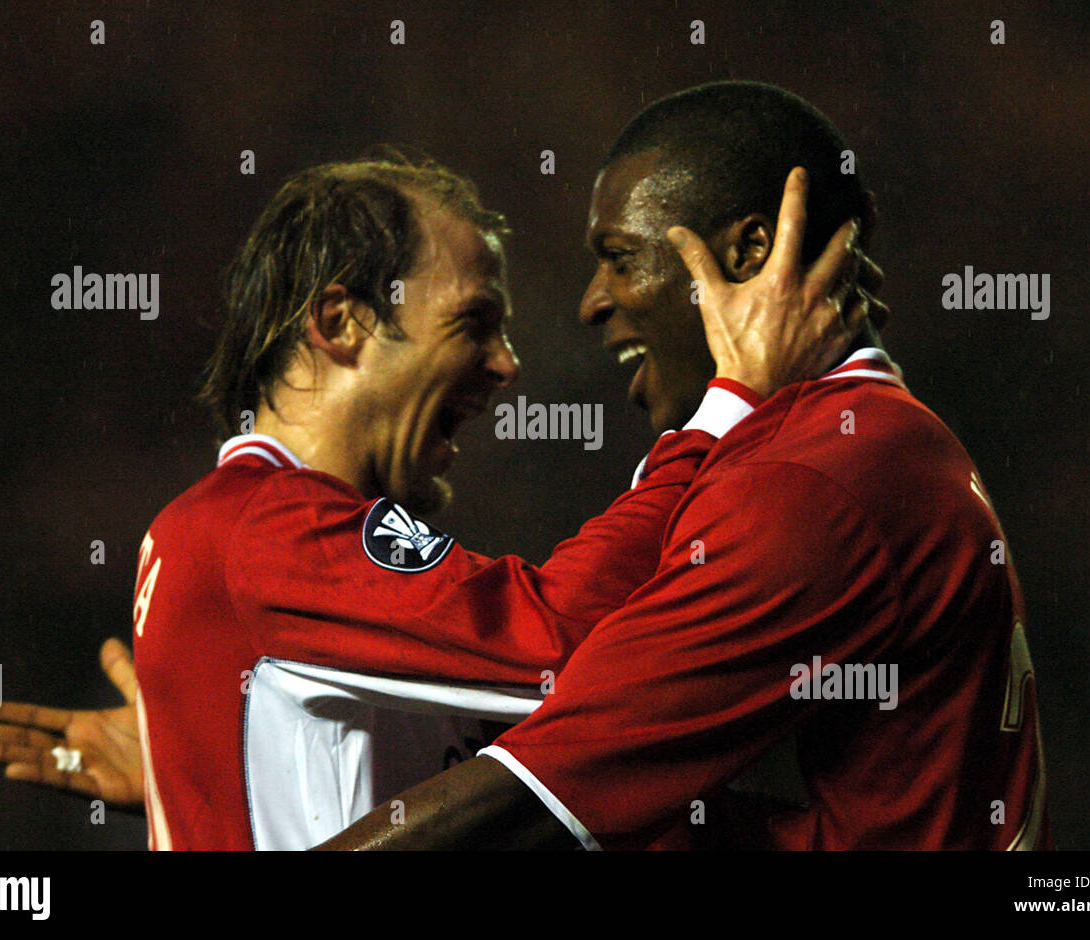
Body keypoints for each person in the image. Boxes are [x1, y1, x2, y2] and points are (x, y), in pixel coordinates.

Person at [0, 145, 868, 849]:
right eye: (473, 323)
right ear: (340, 323)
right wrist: (728, 409)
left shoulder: (255, 542)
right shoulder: (260, 527)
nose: (507, 367)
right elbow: (560, 642)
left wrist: (206, 760)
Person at [319, 81, 1051, 851]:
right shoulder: (874, 438)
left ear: (750, 255)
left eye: (622, 258)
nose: (592, 303)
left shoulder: (814, 483)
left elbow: (539, 805)